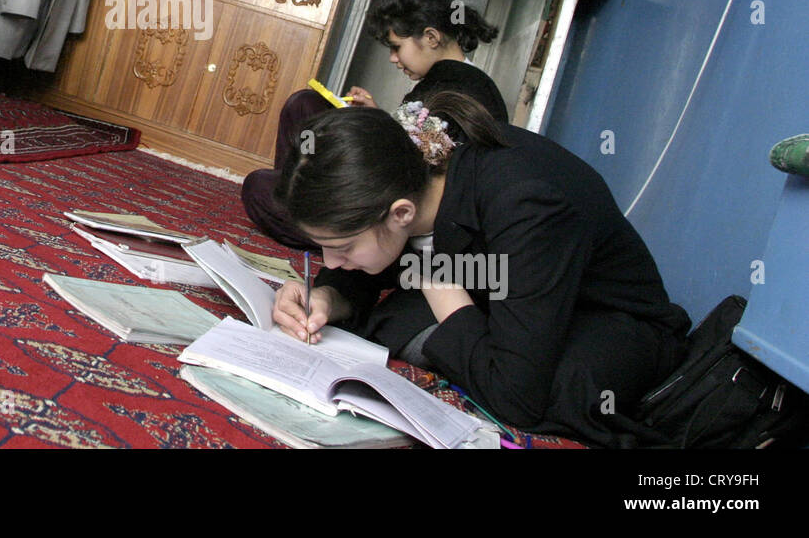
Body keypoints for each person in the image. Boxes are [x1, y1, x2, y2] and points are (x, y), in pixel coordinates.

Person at [269, 91, 692, 446]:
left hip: (607, 320)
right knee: (390, 324)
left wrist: (443, 291)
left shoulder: (524, 204)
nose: (331, 261)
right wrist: (327, 295)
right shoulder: (415, 176)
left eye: (341, 247)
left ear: (400, 213)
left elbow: (516, 396)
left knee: (543, 395)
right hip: (500, 288)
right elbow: (378, 262)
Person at [241, 0, 506, 250]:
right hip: (388, 183)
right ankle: (301, 194)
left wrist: (375, 127)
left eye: (396, 47)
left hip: (392, 222)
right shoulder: (447, 78)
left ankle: (316, 220)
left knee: (258, 188)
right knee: (304, 105)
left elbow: (412, 178)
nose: (393, 58)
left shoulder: (463, 93)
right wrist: (377, 117)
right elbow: (411, 146)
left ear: (431, 37)